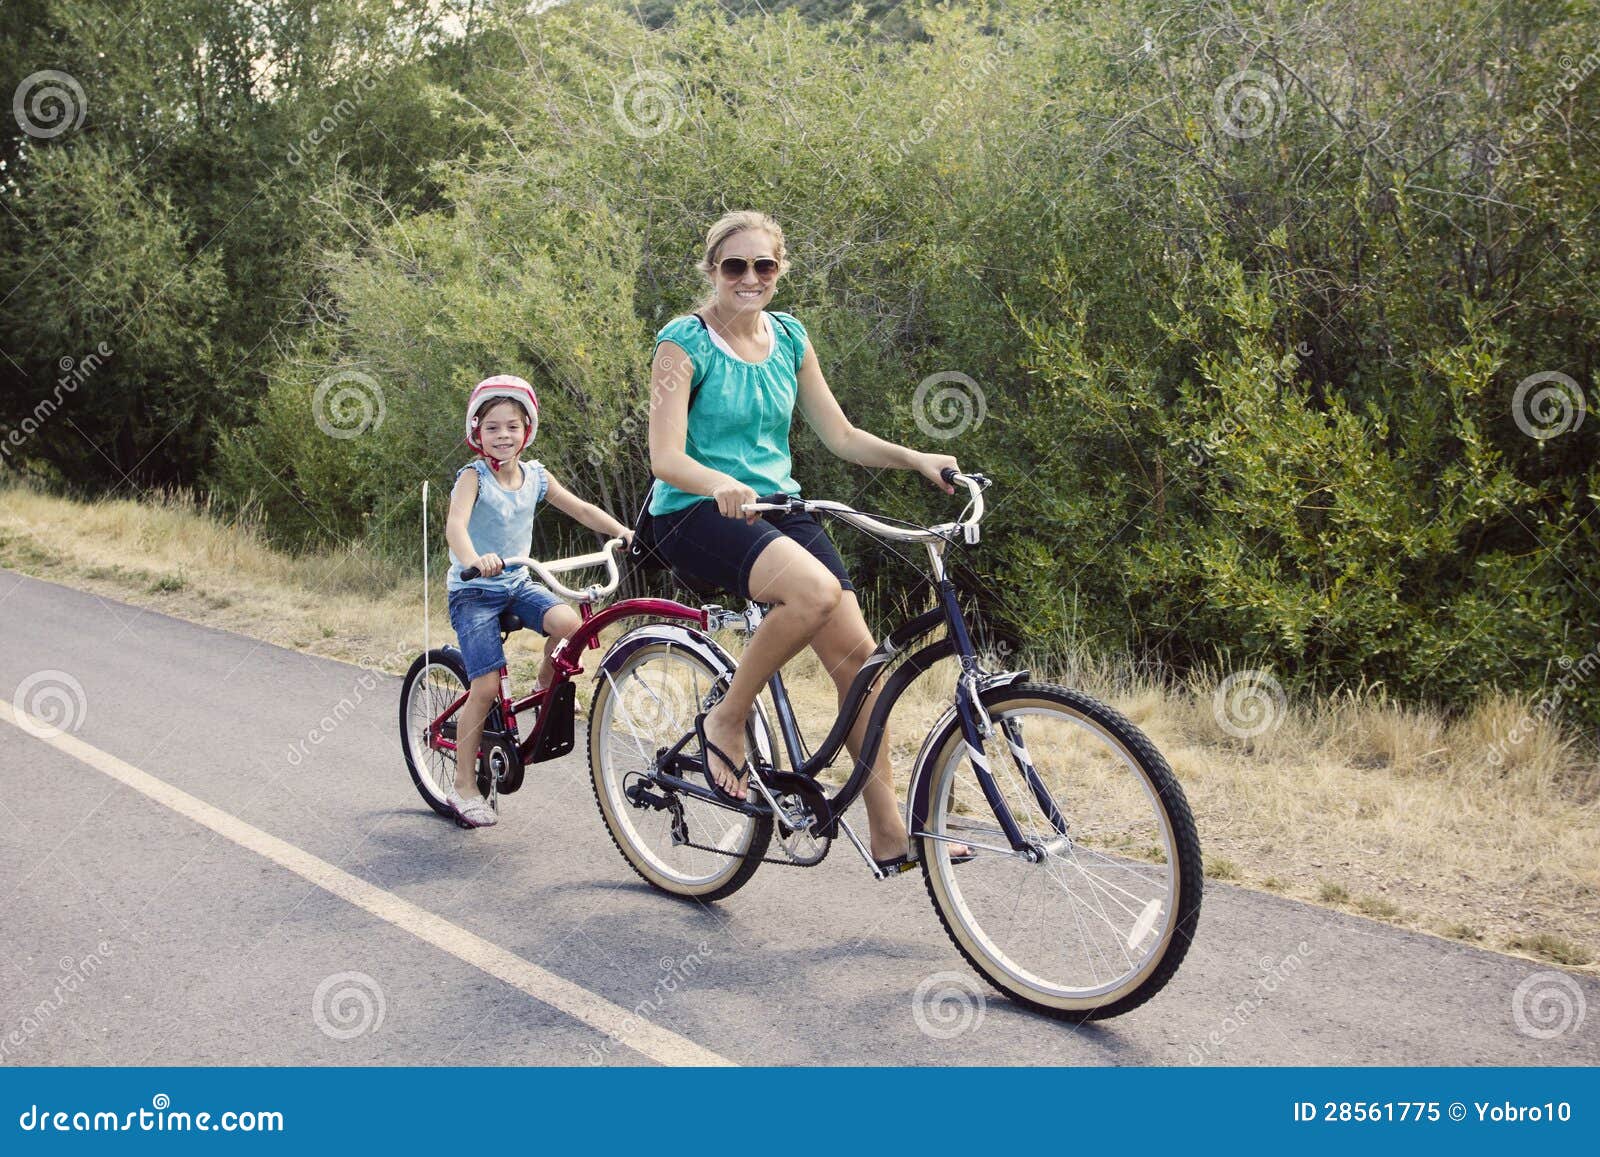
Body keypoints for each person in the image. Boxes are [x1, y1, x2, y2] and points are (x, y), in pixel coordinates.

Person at [647, 211, 969, 872]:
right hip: (694, 509)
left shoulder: (791, 338)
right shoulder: (684, 342)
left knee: (860, 663)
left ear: (779, 270)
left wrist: (916, 458)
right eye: (734, 266)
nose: (749, 278)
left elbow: (840, 435)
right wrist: (720, 482)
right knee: (813, 591)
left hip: (777, 509)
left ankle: (888, 833)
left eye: (764, 266)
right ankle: (728, 718)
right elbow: (664, 457)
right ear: (712, 270)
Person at [444, 375, 632, 829]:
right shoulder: (473, 478)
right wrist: (474, 560)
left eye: (512, 426)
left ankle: (541, 689)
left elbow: (582, 510)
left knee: (573, 628)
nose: (502, 435)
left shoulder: (536, 477)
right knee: (485, 687)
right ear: (477, 432)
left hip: (517, 582)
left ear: (526, 430)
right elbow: (455, 525)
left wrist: (622, 532)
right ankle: (464, 787)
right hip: (473, 590)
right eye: (491, 427)